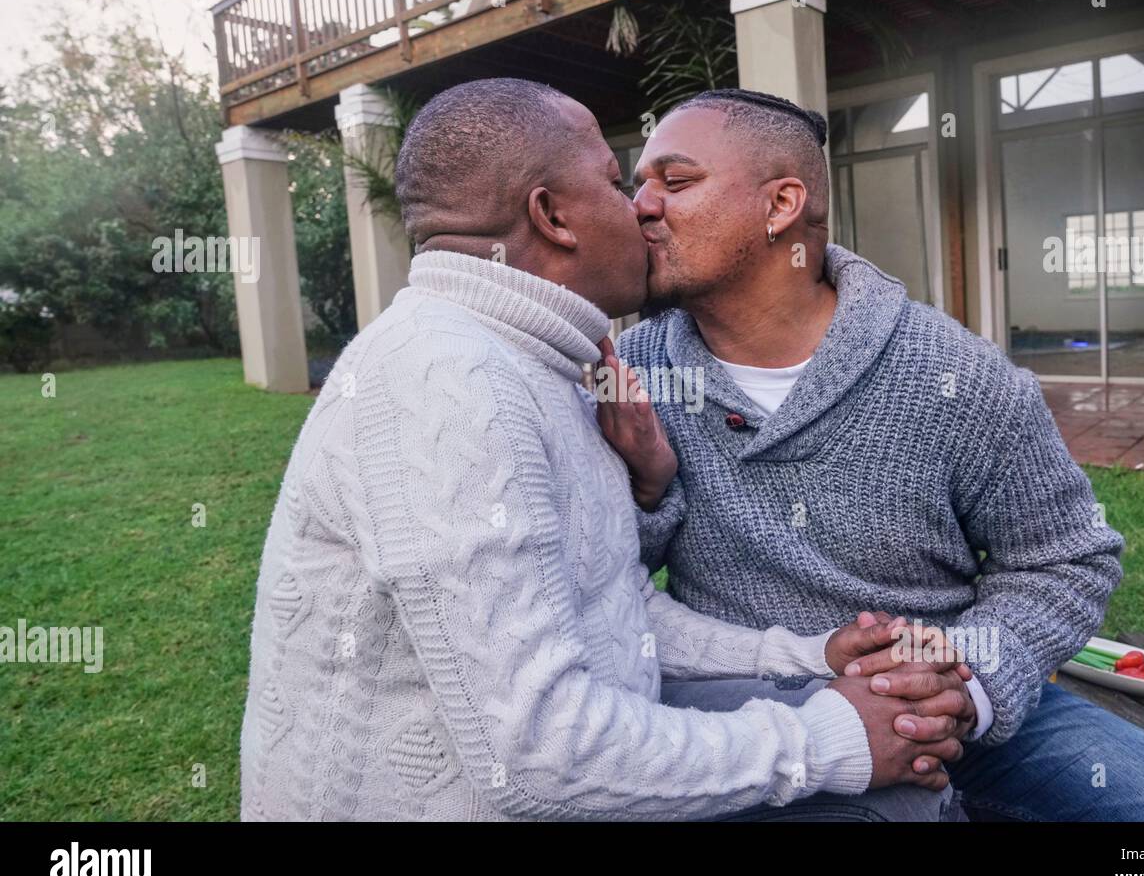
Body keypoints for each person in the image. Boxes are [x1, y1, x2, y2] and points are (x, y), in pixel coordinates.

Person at [239, 78, 969, 822]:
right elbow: (542, 756)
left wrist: (809, 656)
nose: (643, 208)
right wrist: (823, 740)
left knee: (900, 786)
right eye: (619, 183)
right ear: (553, 216)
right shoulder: (445, 382)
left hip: (584, 762)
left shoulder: (542, 360)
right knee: (892, 801)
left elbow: (612, 614)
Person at [602, 87, 1144, 821]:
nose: (640, 206)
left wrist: (966, 686)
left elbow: (1065, 557)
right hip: (746, 712)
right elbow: (601, 588)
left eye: (674, 181)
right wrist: (649, 489)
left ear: (781, 205)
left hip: (960, 690)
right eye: (637, 185)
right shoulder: (630, 375)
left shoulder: (951, 371)